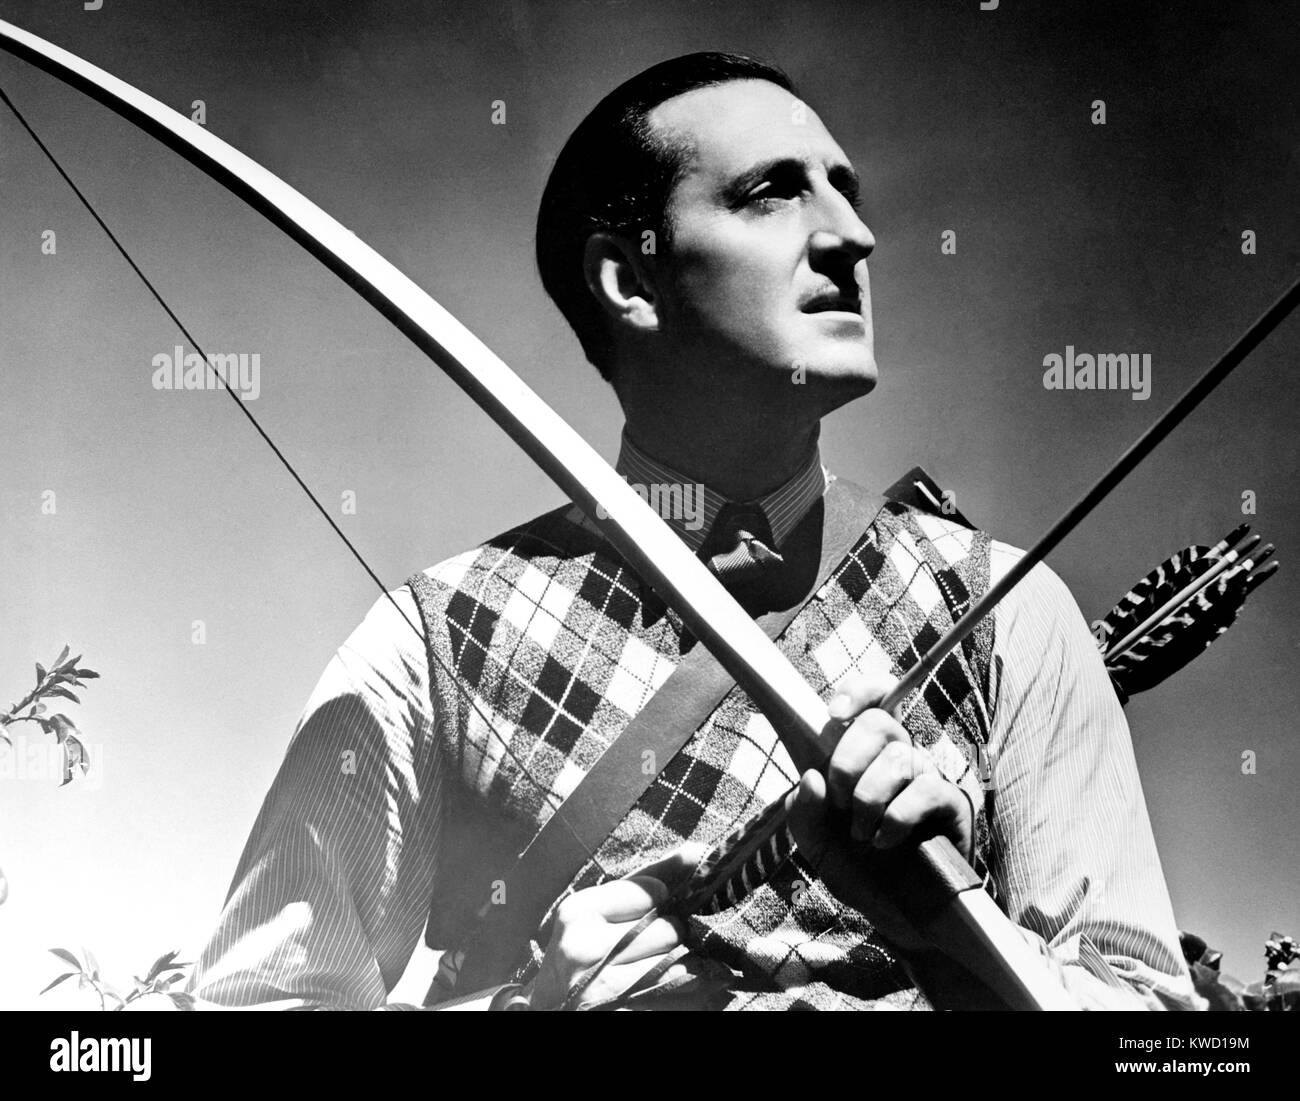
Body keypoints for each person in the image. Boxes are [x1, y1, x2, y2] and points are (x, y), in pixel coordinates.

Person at [183, 52, 1201, 1011]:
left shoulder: (1005, 611)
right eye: (771, 192)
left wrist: (952, 940)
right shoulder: (434, 640)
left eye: (844, 187)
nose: (853, 236)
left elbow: (1165, 1051)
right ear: (630, 282)